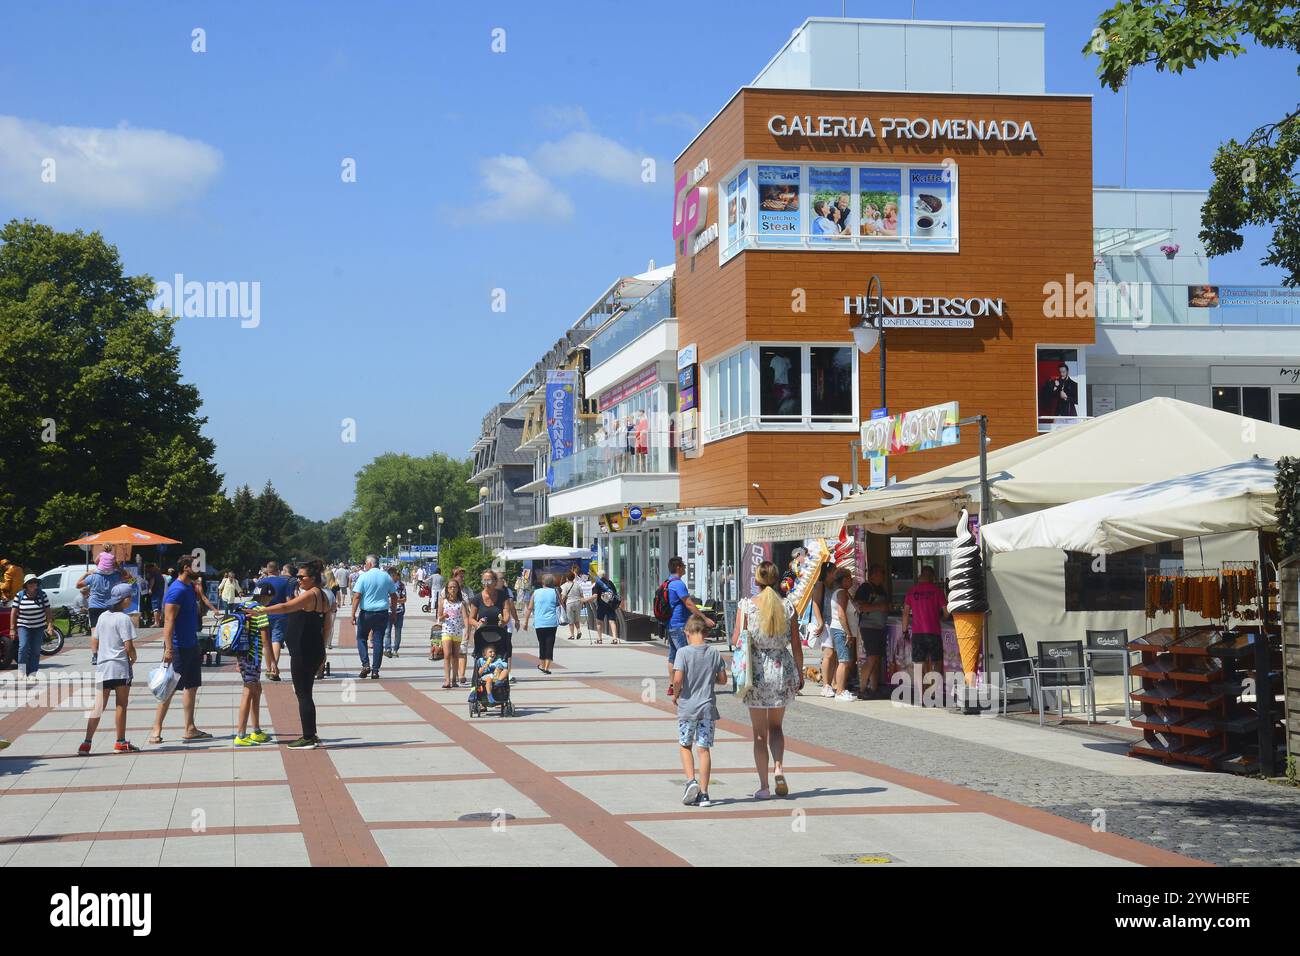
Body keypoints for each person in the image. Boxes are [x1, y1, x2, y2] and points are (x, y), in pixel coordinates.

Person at [733, 560, 802, 799]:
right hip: (781, 669)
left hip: (756, 673)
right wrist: (801, 673)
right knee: (777, 727)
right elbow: (796, 643)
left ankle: (764, 786)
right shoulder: (788, 606)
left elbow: (736, 640)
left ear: (757, 580)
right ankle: (779, 768)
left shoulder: (746, 606)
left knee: (759, 734)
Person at [260, 560, 333, 749]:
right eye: (297, 576)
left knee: (303, 694)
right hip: (312, 649)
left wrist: (260, 610)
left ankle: (308, 737)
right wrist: (323, 651)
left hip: (303, 651)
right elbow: (326, 626)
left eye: (302, 577)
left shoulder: (310, 595)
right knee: (305, 693)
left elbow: (286, 608)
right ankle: (311, 734)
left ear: (313, 578)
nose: (298, 579)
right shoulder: (323, 596)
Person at [148, 556, 210, 743]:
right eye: (195, 567)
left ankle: (190, 728)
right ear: (185, 568)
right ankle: (156, 729)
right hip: (177, 647)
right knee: (168, 687)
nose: (199, 570)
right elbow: (168, 621)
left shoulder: (190, 588)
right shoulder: (176, 590)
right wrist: (168, 649)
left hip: (191, 644)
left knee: (191, 687)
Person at [78, 583, 140, 754]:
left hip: (103, 667)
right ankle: (120, 742)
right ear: (124, 599)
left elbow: (95, 640)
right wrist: (134, 658)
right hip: (120, 667)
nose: (131, 599)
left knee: (98, 705)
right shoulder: (124, 618)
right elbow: (129, 646)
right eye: (130, 597)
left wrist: (97, 656)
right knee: (121, 704)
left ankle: (86, 742)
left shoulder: (103, 617)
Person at [674, 614, 727, 808]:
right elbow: (722, 680)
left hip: (688, 708)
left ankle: (691, 781)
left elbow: (678, 679)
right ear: (704, 632)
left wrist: (675, 693)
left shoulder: (683, 653)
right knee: (703, 749)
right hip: (707, 709)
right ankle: (704, 794)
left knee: (685, 745)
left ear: (687, 632)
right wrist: (708, 678)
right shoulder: (714, 653)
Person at [663, 556, 712, 698]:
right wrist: (704, 618)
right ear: (678, 567)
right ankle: (686, 687)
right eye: (683, 566)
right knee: (685, 656)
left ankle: (672, 686)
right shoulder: (678, 584)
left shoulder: (668, 582)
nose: (684, 568)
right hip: (679, 625)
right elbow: (689, 604)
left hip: (671, 624)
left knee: (673, 657)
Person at [234, 586, 274, 746]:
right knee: (248, 691)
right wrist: (272, 664)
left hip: (243, 655)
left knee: (257, 689)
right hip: (252, 657)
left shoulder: (244, 606)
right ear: (266, 596)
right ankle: (241, 735)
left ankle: (256, 730)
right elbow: (265, 640)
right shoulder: (260, 610)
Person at [902, 565, 948, 696]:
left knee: (919, 665)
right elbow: (946, 612)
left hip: (918, 633)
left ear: (921, 575)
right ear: (932, 577)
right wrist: (941, 618)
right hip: (934, 632)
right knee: (936, 663)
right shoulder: (937, 591)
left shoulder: (912, 591)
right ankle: (934, 693)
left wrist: (904, 631)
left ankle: (921, 695)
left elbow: (905, 613)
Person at [351, 555, 397, 679]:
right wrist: (393, 613)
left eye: (365, 563)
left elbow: (357, 596)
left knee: (361, 638)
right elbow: (394, 596)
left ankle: (365, 664)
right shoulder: (386, 577)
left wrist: (353, 614)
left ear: (370, 564)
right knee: (378, 641)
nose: (365, 565)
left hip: (366, 613)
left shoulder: (364, 576)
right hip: (382, 613)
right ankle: (375, 670)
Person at [853, 565, 890, 699]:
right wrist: (878, 607)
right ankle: (862, 689)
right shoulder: (865, 588)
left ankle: (874, 688)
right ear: (873, 575)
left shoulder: (881, 589)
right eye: (881, 574)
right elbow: (859, 607)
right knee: (871, 657)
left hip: (880, 627)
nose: (883, 577)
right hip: (869, 627)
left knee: (877, 659)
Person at [256, 561, 296, 680]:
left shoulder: (260, 582)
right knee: (276, 640)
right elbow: (288, 600)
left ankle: (268, 668)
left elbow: (256, 601)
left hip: (263, 613)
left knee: (265, 641)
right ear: (278, 570)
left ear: (267, 570)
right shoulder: (284, 582)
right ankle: (274, 669)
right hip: (280, 614)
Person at [10, 574, 54, 679]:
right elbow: (13, 613)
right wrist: (12, 628)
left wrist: (50, 626)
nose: (33, 584)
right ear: (26, 585)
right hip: (23, 625)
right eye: (30, 582)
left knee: (35, 649)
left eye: (35, 582)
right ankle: (22, 671)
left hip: (38, 626)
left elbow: (48, 611)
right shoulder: (19, 595)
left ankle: (32, 672)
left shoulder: (42, 595)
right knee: (23, 647)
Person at [826, 566, 861, 702]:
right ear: (844, 580)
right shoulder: (841, 593)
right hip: (841, 630)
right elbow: (841, 614)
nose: (851, 580)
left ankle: (840, 688)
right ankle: (840, 691)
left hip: (841, 630)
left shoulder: (843, 592)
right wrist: (848, 633)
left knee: (845, 660)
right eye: (849, 578)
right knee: (844, 661)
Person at [467, 570, 514, 667]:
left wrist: (503, 622)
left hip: (499, 633)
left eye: (489, 581)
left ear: (495, 582)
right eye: (484, 581)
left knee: (500, 656)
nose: (486, 584)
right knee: (483, 658)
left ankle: (500, 677)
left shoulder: (503, 596)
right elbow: (471, 618)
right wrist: (478, 623)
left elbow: (507, 614)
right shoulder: (477, 598)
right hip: (483, 634)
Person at [438, 577, 468, 687]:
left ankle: (454, 679)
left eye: (454, 587)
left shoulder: (461, 603)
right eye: (450, 587)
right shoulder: (443, 602)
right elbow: (439, 617)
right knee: (447, 655)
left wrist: (467, 631)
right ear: (447, 589)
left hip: (458, 632)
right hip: (446, 631)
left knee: (456, 655)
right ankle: (447, 680)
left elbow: (465, 617)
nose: (452, 589)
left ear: (458, 589)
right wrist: (443, 616)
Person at [532, 573, 561, 674]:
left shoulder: (536, 592)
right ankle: (547, 667)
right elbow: (560, 603)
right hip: (552, 622)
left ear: (543, 582)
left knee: (542, 644)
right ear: (552, 582)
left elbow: (530, 607)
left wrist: (526, 621)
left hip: (539, 623)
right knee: (550, 643)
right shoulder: (555, 592)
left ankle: (542, 665)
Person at [590, 568, 620, 644]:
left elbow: (595, 595)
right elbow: (615, 593)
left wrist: (586, 600)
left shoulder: (598, 583)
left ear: (598, 576)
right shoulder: (610, 583)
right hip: (610, 605)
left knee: (599, 621)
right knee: (612, 621)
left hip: (601, 605)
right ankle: (615, 638)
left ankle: (599, 639)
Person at [383, 566, 406, 658]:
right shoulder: (385, 585)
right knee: (387, 631)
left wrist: (395, 600)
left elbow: (404, 599)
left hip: (399, 611)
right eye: (394, 575)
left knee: (398, 631)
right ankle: (387, 649)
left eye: (396, 574)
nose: (397, 576)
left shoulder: (401, 586)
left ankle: (395, 649)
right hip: (387, 611)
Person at [561, 569, 582, 641]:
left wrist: (561, 603)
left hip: (569, 603)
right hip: (578, 603)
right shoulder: (577, 585)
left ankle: (572, 635)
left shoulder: (565, 586)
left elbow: (563, 597)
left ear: (567, 578)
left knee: (570, 620)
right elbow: (581, 595)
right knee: (576, 619)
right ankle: (578, 631)